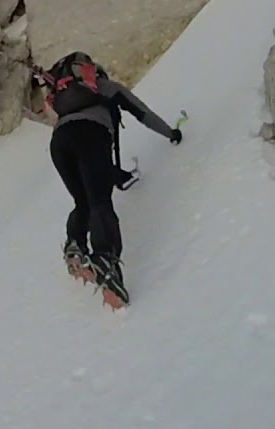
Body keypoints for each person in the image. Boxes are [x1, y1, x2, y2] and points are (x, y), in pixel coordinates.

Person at [34, 51, 182, 302]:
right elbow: (143, 113)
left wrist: (117, 175)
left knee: (83, 201)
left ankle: (75, 246)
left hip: (59, 143)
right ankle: (105, 260)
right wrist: (171, 133)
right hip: (91, 135)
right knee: (100, 202)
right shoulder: (106, 88)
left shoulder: (64, 101)